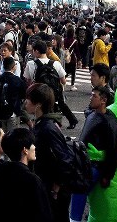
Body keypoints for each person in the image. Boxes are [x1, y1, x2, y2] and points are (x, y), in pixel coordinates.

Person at [70, 85, 117, 222]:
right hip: (83, 162)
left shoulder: (110, 122)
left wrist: (107, 175)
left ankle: (74, 219)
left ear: (103, 100)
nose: (91, 98)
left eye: (94, 96)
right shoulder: (93, 114)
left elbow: (113, 149)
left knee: (79, 191)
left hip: (94, 166)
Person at [25, 82, 73, 222]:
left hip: (54, 189)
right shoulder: (42, 123)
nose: (25, 102)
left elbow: (64, 160)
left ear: (38, 104)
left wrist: (56, 188)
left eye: (28, 99)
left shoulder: (47, 128)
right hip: (47, 184)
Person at [0, 128, 53, 222]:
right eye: (32, 144)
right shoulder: (32, 180)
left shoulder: (0, 172)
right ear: (25, 150)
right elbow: (44, 215)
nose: (34, 147)